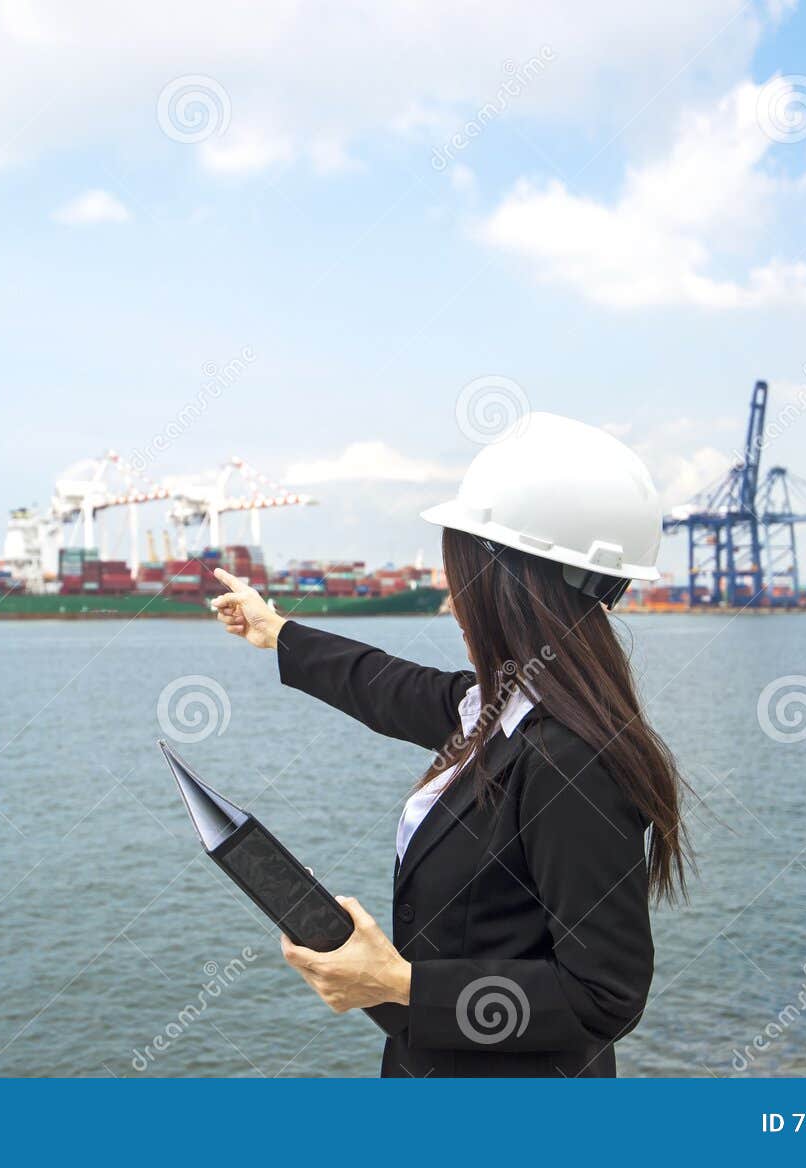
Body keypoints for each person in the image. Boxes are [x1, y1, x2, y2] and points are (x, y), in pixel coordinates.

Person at [210, 412, 688, 1077]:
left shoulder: (570, 760)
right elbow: (382, 686)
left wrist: (401, 985)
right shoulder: (500, 706)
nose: (450, 591)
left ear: (500, 579)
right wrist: (276, 631)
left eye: (457, 568)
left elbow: (603, 998)